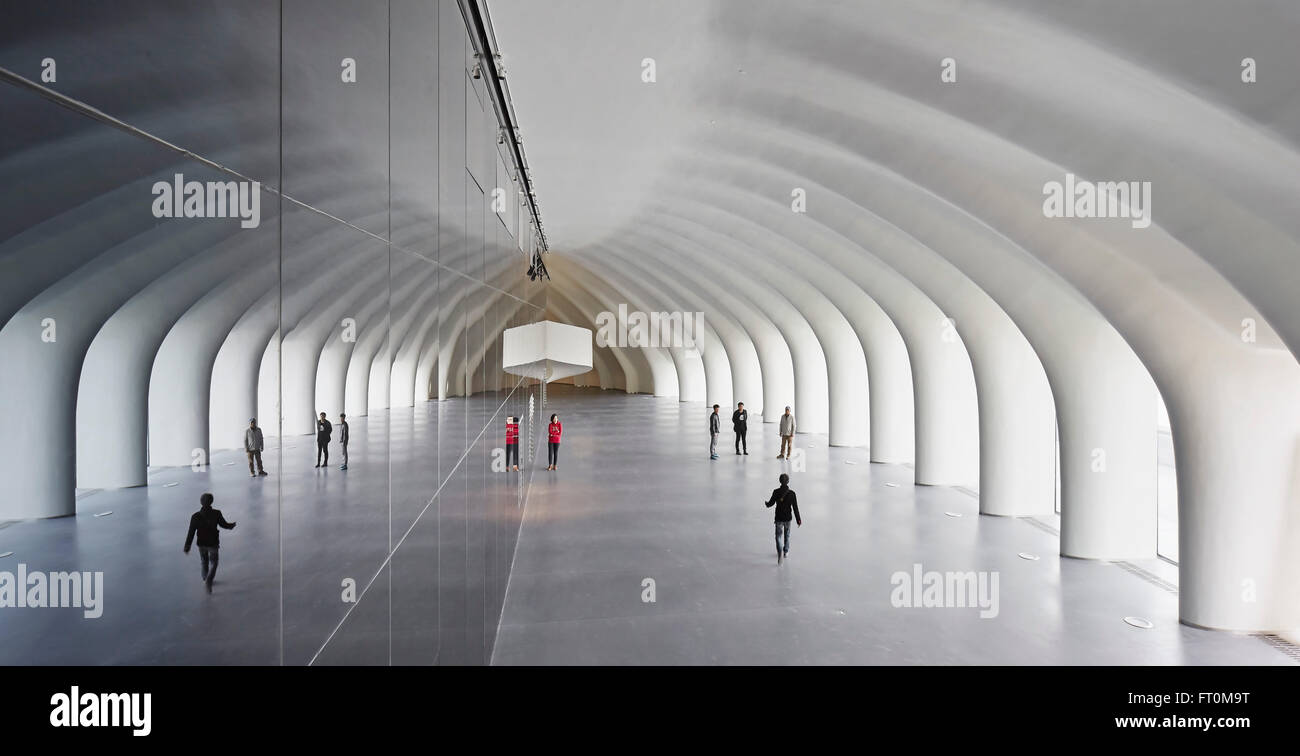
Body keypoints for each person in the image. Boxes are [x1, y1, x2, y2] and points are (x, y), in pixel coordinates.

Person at [183, 492, 237, 594]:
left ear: (201, 502)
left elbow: (191, 532)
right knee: (214, 563)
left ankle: (205, 577)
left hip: (201, 543)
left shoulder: (195, 516)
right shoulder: (216, 513)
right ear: (212, 502)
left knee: (204, 560)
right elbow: (223, 525)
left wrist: (187, 546)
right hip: (213, 543)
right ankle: (209, 580)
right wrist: (231, 525)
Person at [764, 473, 801, 563]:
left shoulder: (776, 492)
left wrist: (767, 504)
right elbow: (795, 507)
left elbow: (771, 503)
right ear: (788, 481)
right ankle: (786, 551)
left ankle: (780, 551)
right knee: (787, 535)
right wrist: (798, 519)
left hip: (779, 518)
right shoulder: (792, 494)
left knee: (778, 536)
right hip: (788, 518)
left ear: (780, 481)